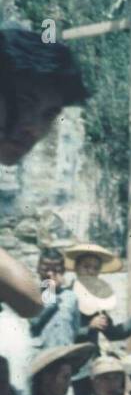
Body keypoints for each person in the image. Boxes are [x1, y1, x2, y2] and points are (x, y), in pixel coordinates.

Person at [0, 29, 90, 319]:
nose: (33, 128)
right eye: (24, 102)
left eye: (48, 114)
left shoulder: (73, 300)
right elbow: (29, 298)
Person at [29, 246, 82, 351]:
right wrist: (51, 290)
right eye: (45, 269)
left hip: (64, 351)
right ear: (38, 270)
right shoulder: (32, 294)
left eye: (55, 270)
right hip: (40, 354)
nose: (50, 274)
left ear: (63, 271)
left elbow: (75, 328)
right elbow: (34, 321)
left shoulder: (71, 296)